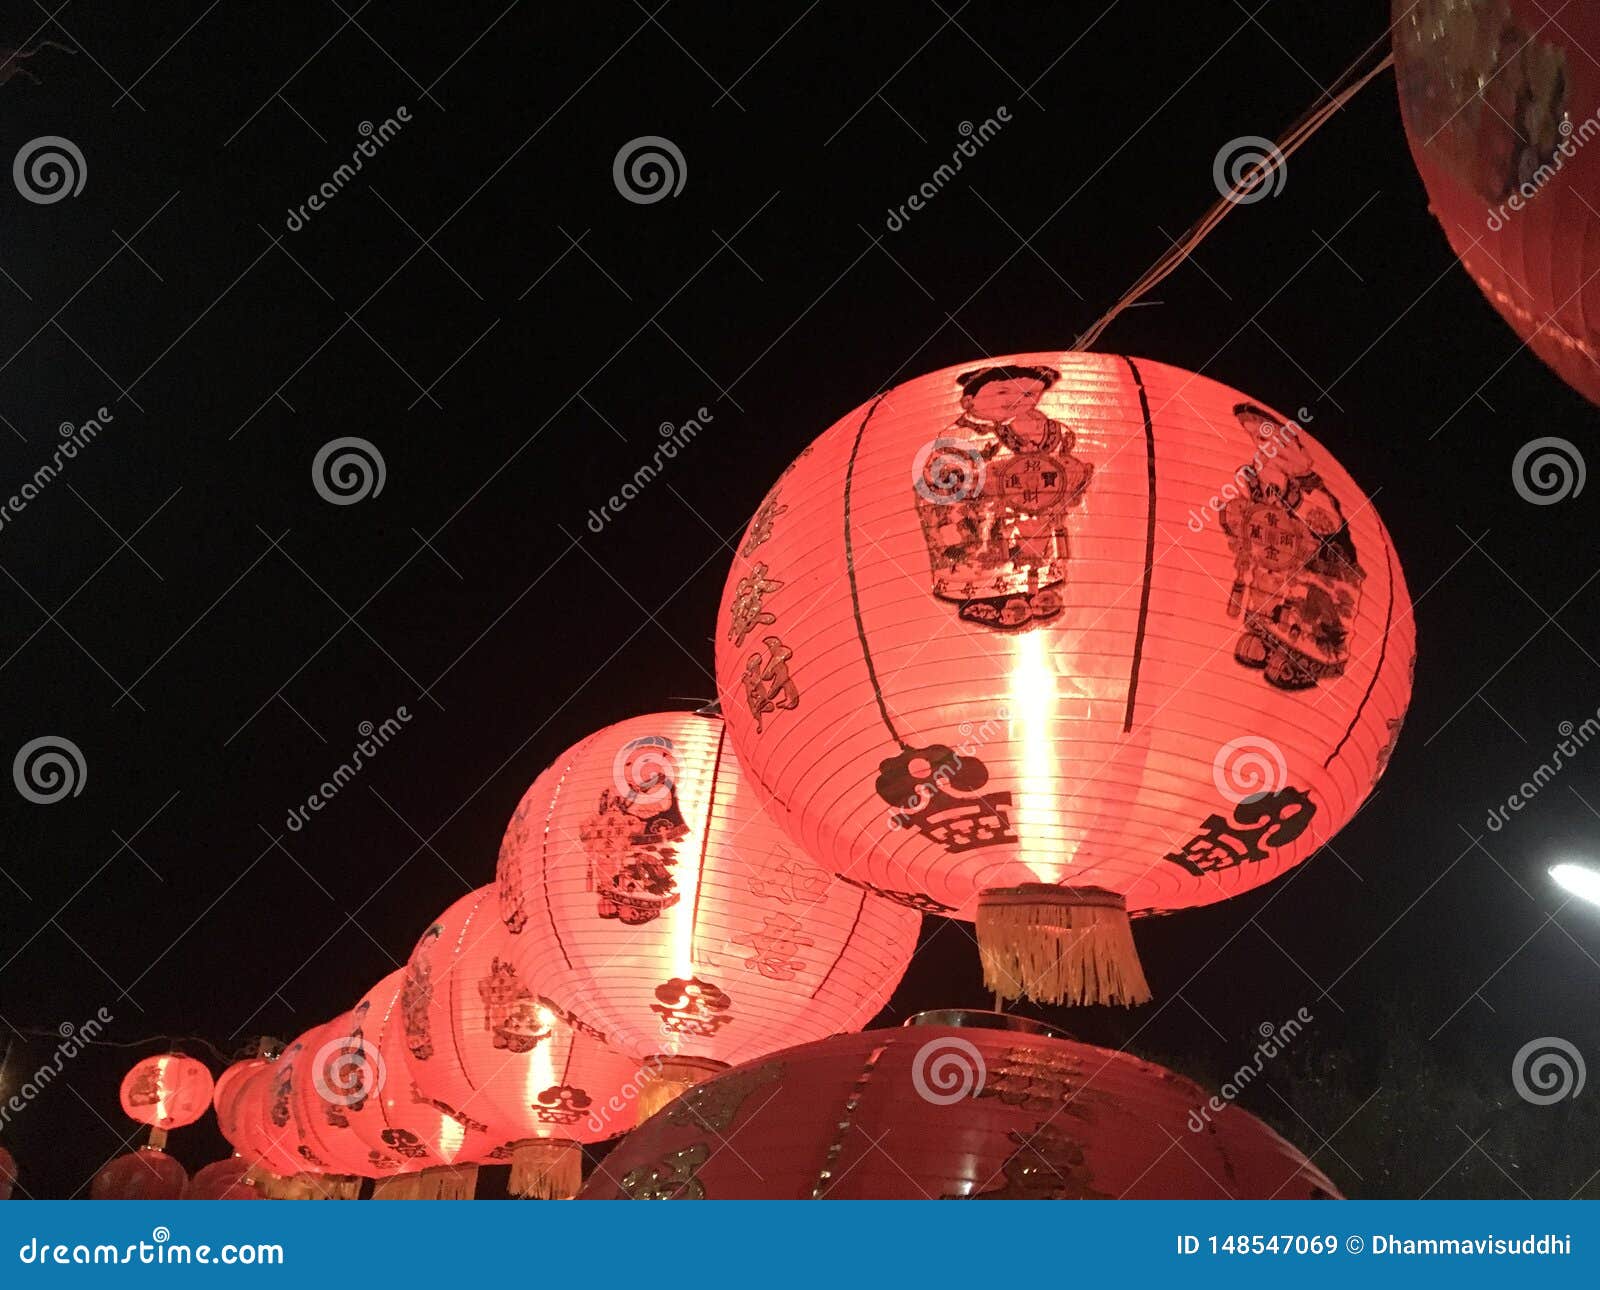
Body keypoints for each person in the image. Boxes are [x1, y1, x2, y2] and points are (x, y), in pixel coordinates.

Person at [914, 364, 1093, 632]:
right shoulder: (960, 436)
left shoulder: (1035, 427)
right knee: (984, 550)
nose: (1018, 400)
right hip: (978, 513)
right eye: (1003, 392)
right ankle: (985, 599)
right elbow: (942, 479)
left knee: (1036, 548)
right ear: (969, 400)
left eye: (1030, 394)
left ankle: (1034, 591)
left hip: (1028, 509)